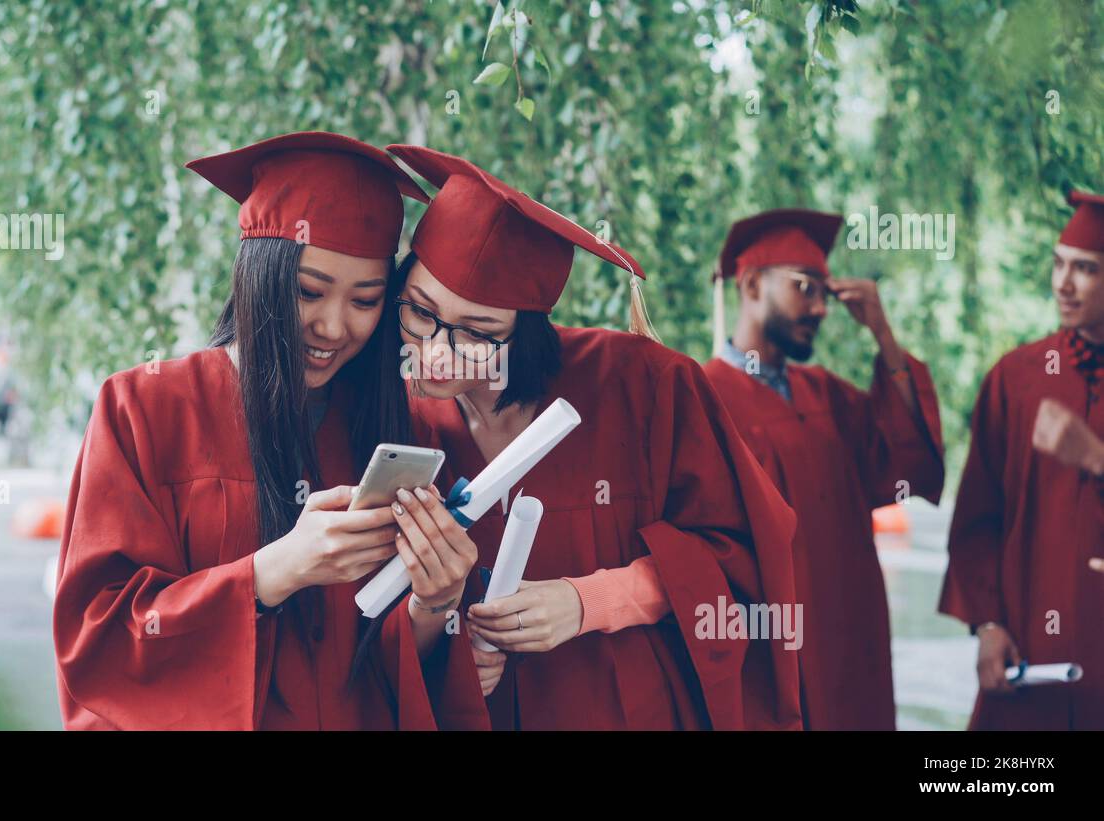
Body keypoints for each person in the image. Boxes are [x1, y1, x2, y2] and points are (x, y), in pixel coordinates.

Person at [53, 132, 487, 730]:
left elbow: (388, 674)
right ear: (258, 274)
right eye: (309, 291)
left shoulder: (396, 434)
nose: (334, 326)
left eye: (365, 300)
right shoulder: (143, 409)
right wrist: (272, 572)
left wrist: (434, 604)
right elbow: (100, 639)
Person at [386, 143, 803, 730]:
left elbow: (743, 554)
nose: (437, 352)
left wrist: (591, 601)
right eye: (419, 311)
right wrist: (444, 652)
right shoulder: (395, 419)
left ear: (527, 333)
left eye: (479, 333)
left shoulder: (644, 385)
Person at [701, 209, 945, 729]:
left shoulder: (829, 395)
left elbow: (906, 461)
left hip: (848, 638)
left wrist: (882, 333)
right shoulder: (703, 398)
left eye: (823, 293)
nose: (820, 308)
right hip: (766, 651)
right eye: (804, 289)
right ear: (750, 285)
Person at [940, 189, 1104, 730]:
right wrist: (987, 624)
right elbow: (976, 520)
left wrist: (1096, 459)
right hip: (1031, 662)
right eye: (1058, 265)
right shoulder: (1018, 379)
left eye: (1085, 269)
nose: (1063, 283)